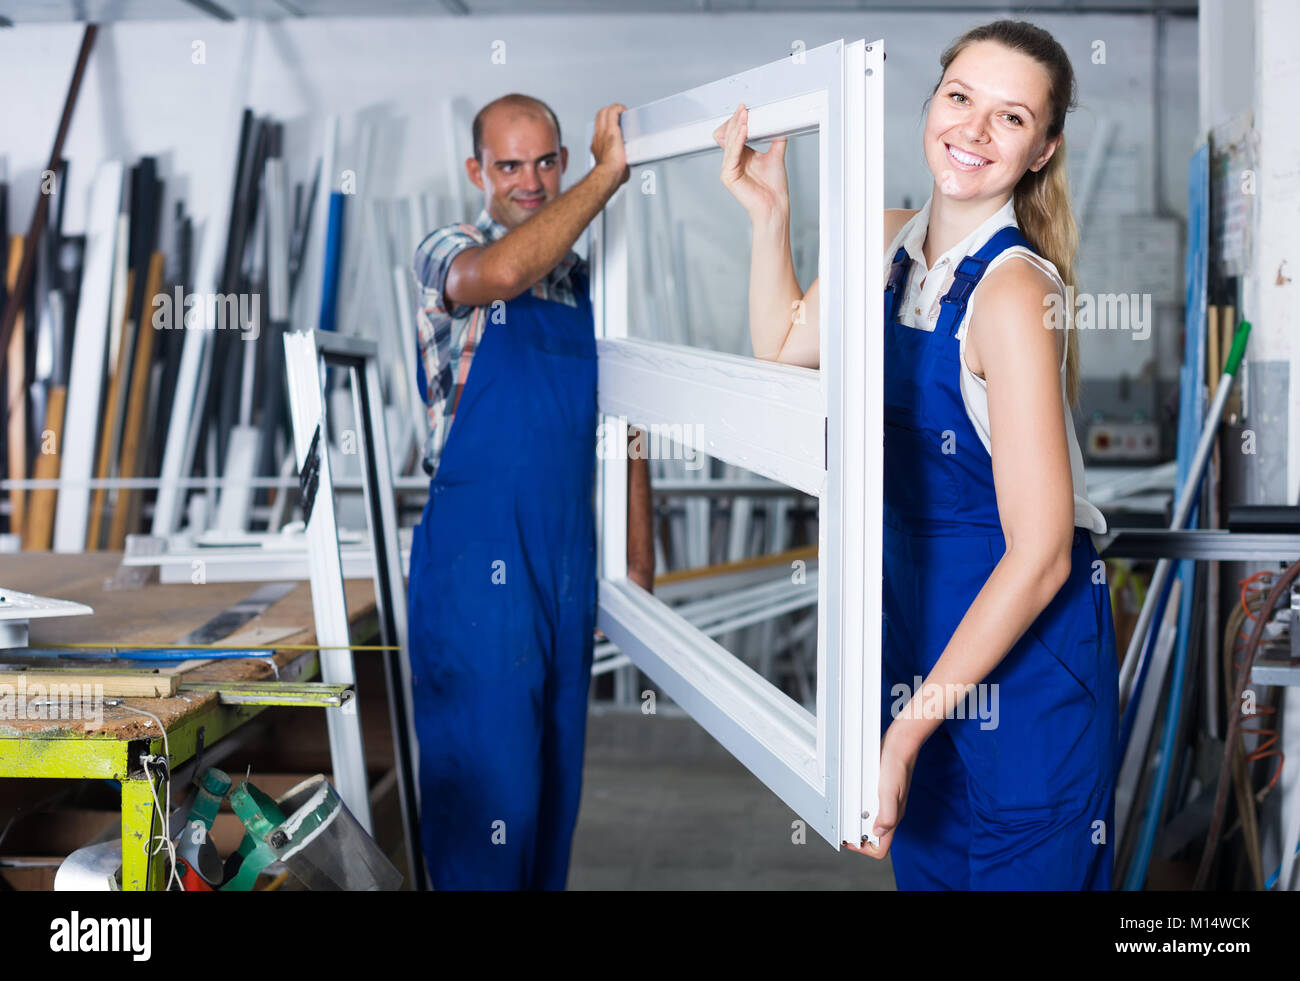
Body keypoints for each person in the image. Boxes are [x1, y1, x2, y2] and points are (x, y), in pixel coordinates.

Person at [715, 20, 1118, 889]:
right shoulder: (884, 241)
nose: (973, 131)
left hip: (1025, 664)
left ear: (1044, 149)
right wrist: (769, 216)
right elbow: (785, 349)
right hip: (922, 645)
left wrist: (903, 732)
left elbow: (1042, 553)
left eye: (1011, 119)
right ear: (933, 100)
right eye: (961, 98)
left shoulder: (1012, 290)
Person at [408, 93, 655, 890]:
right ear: (478, 171)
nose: (531, 180)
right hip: (475, 567)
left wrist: (635, 561)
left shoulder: (585, 280)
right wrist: (606, 174)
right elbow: (507, 269)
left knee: (552, 796)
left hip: (562, 565)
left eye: (547, 161)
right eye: (509, 165)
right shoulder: (448, 249)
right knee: (489, 797)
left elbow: (628, 417)